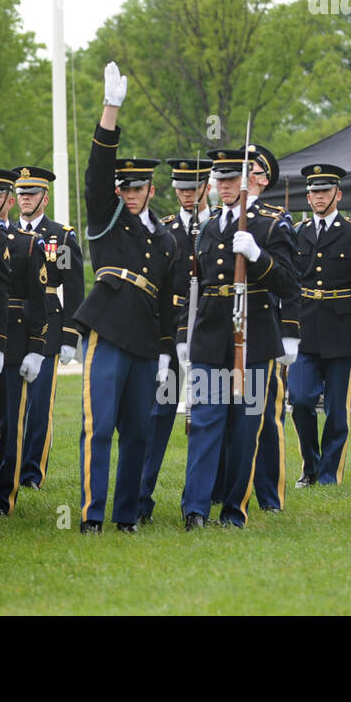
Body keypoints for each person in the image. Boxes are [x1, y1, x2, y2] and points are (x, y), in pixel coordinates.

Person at [73, 62, 177, 534]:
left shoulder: (169, 241)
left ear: (151, 190)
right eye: (123, 187)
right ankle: (93, 515)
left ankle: (127, 515)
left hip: (145, 343)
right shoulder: (107, 218)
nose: (128, 193)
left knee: (139, 432)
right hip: (110, 331)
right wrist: (109, 110)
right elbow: (97, 174)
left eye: (136, 187)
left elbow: (169, 300)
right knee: (99, 429)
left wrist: (164, 350)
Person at [179, 146, 297, 529]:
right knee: (204, 426)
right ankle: (195, 510)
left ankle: (234, 510)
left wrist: (259, 257)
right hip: (212, 336)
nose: (225, 186)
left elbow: (288, 283)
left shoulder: (272, 223)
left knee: (246, 428)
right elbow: (197, 284)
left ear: (246, 182)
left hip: (253, 336)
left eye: (232, 179)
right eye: (220, 179)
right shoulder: (208, 226)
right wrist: (187, 334)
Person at [282, 163, 351, 486]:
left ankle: (329, 475)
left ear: (339, 193)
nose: (318, 197)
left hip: (341, 330)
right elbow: (289, 283)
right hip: (305, 327)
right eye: (313, 191)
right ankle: (310, 466)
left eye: (324, 191)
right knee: (300, 400)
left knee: (337, 409)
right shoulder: (297, 233)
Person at [137, 156, 212, 525]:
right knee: (157, 415)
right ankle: (139, 498)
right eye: (180, 188)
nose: (185, 194)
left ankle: (201, 503)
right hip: (170, 334)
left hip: (211, 330)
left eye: (191, 187)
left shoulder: (218, 227)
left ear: (205, 187)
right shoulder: (163, 231)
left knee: (209, 418)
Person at [0, 168, 46, 515]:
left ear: (9, 201)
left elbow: (39, 300)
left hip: (14, 344)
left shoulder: (27, 244)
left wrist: (36, 348)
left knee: (9, 426)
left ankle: (3, 496)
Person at [12, 166, 84, 491]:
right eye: (21, 193)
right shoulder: (7, 233)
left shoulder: (61, 236)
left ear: (45, 197)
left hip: (49, 328)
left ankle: (30, 474)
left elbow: (75, 288)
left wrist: (71, 334)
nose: (25, 199)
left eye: (31, 194)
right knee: (12, 407)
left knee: (39, 405)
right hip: (13, 326)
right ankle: (9, 468)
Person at [246, 144, 294, 512]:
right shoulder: (217, 217)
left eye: (249, 171)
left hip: (261, 326)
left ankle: (269, 495)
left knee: (263, 413)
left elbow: (289, 280)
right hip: (220, 328)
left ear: (262, 180)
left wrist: (290, 332)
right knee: (225, 407)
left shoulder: (275, 220)